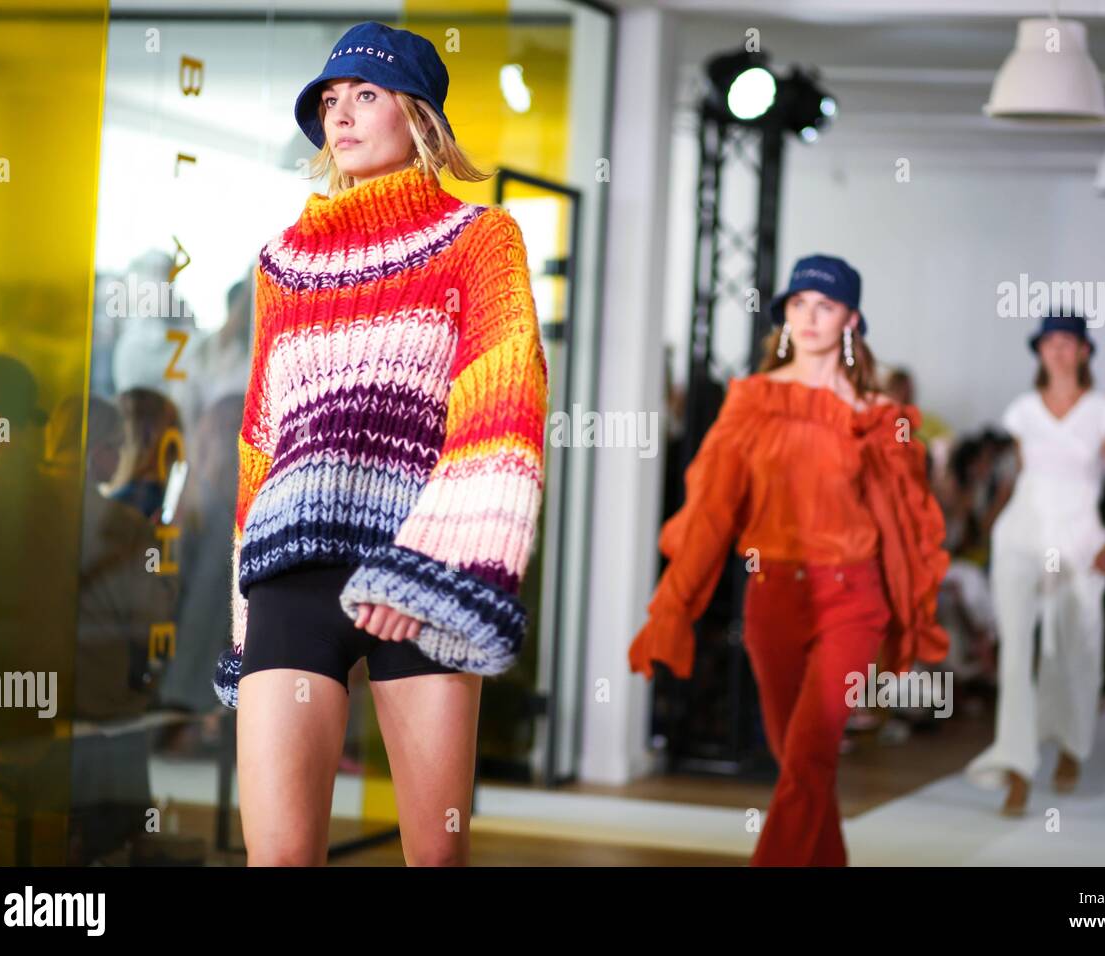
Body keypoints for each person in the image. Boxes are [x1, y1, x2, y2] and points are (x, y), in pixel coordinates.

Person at [217, 21, 548, 866]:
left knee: (435, 857)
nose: (342, 115)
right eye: (331, 100)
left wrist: (441, 567)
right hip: (295, 573)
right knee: (279, 857)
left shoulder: (481, 240)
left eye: (366, 94)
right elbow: (261, 439)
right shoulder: (280, 264)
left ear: (420, 116)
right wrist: (242, 612)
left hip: (421, 575)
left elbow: (504, 400)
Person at [628, 254, 950, 866]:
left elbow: (904, 522)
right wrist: (675, 602)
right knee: (801, 765)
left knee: (808, 758)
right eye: (798, 304)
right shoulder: (752, 401)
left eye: (824, 305)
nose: (809, 316)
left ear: (851, 319)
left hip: (851, 599)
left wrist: (910, 610)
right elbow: (711, 512)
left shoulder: (877, 414)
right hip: (771, 594)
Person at [965, 315, 1105, 815]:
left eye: (1068, 343)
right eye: (1050, 343)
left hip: (1079, 532)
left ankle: (1071, 746)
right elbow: (1020, 478)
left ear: (1083, 351)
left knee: (1074, 641)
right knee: (1017, 646)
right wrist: (988, 525)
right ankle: (1016, 765)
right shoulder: (1022, 411)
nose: (1058, 352)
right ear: (1039, 351)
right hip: (1023, 532)